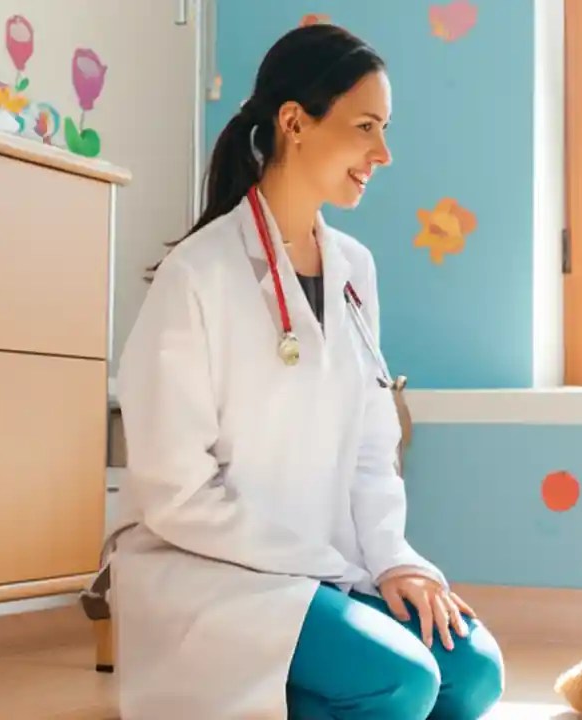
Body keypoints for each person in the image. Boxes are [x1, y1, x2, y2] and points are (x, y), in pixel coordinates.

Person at [110, 24, 503, 720]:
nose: (382, 153)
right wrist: (321, 567)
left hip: (325, 567)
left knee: (471, 672)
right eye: (364, 127)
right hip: (218, 571)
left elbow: (372, 449)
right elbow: (175, 490)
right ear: (294, 123)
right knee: (403, 683)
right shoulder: (197, 275)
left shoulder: (355, 269)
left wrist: (393, 560)